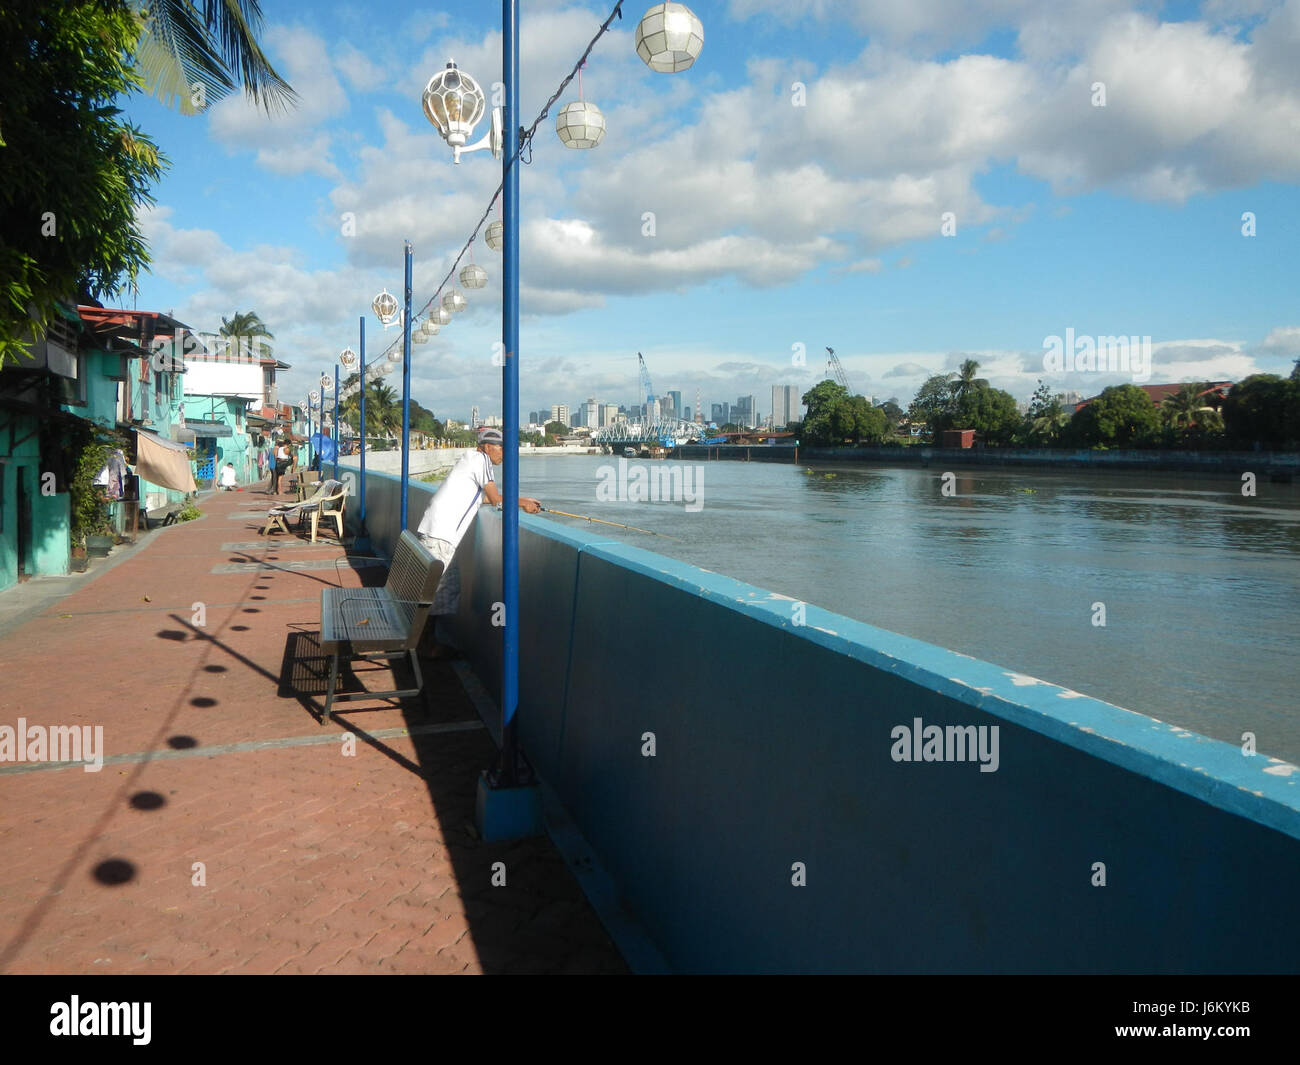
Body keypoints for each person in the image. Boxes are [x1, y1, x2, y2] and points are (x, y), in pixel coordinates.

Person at [416, 428, 541, 658]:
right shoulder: (481, 460)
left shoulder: (470, 459)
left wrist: (522, 501)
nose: (503, 453)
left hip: (436, 533)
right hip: (441, 536)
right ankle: (425, 647)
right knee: (441, 591)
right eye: (500, 447)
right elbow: (495, 499)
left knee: (441, 590)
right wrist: (522, 502)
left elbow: (478, 498)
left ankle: (426, 644)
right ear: (486, 447)